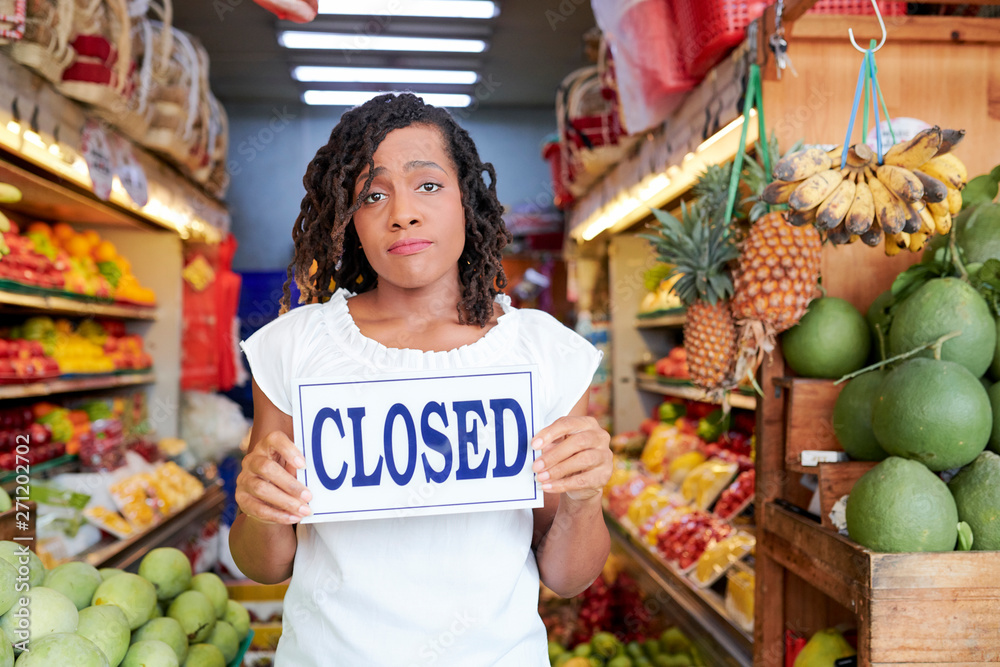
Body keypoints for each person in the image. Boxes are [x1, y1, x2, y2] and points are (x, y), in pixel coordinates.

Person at [232, 93, 612, 665]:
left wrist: (585, 501)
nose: (401, 212)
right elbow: (264, 566)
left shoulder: (546, 352)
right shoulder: (291, 347)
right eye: (372, 194)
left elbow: (566, 577)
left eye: (428, 185)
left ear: (468, 199)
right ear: (349, 219)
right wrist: (258, 505)